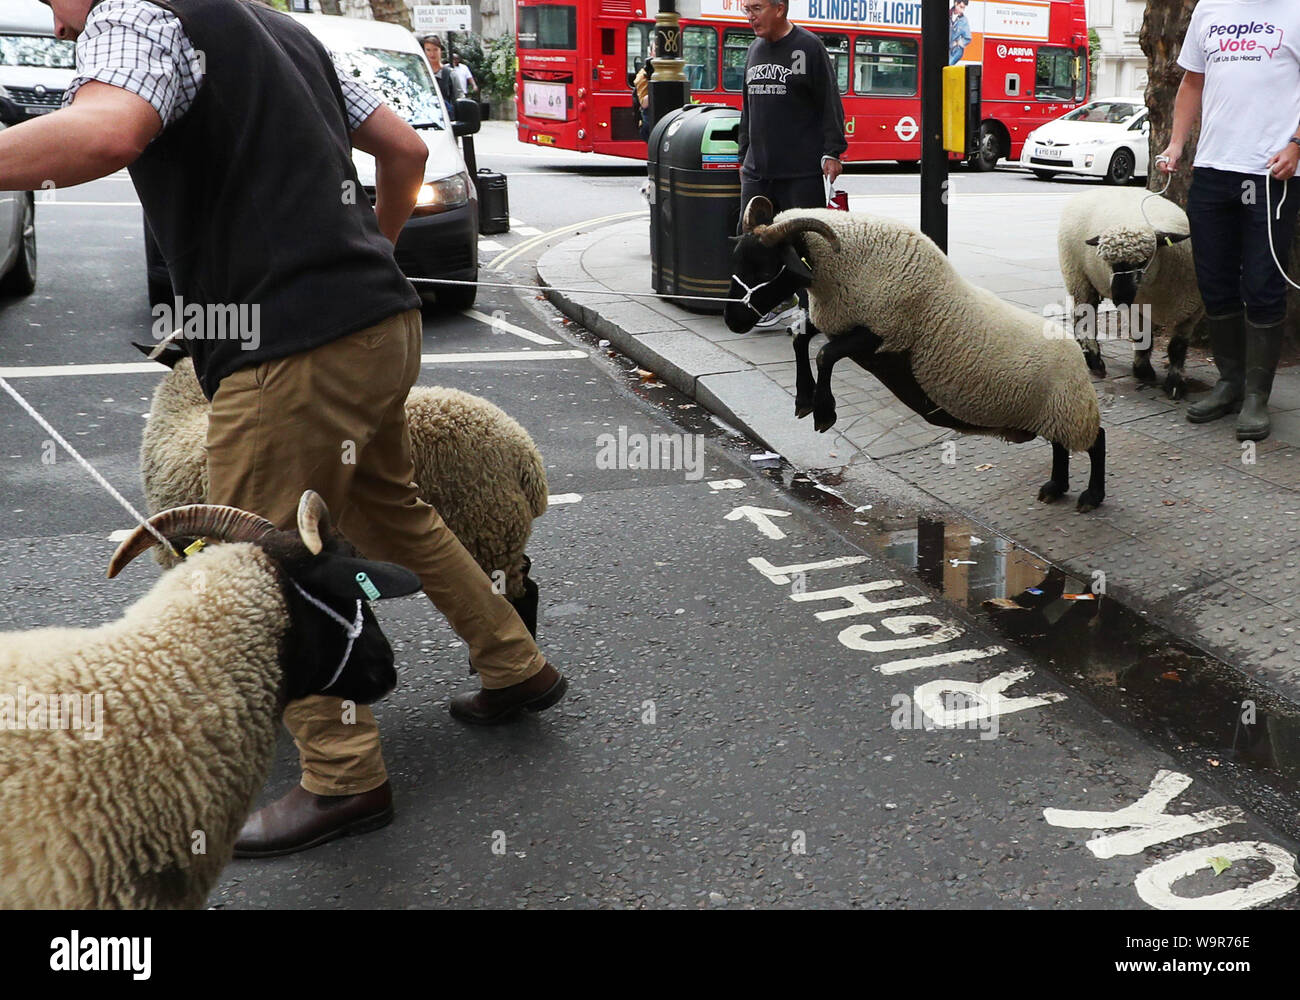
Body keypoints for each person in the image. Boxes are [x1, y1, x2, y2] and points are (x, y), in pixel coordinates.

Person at [13, 0, 567, 856]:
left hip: (288, 346)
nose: (48, 9)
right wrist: (369, 263)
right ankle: (514, 663)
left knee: (260, 563)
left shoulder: (136, 12)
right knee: (393, 512)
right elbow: (407, 151)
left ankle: (344, 778)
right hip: (382, 321)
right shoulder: (279, 26)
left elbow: (104, 135)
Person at [1159, 0, 1300, 442]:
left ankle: (1257, 396)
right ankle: (1229, 383)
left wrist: (1296, 144)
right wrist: (1177, 143)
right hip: (1214, 169)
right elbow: (1192, 82)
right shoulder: (1210, 8)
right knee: (1215, 281)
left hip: (1271, 172)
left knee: (1262, 284)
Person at [737, 0, 846, 331]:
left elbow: (829, 101)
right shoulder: (754, 50)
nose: (750, 16)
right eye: (747, 9)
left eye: (756, 8)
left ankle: (812, 310)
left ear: (779, 8)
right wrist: (743, 156)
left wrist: (832, 152)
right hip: (758, 170)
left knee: (804, 246)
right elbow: (748, 107)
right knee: (754, 241)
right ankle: (775, 302)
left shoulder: (808, 47)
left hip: (799, 170)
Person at [422, 34, 458, 105]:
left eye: (435, 49)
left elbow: (458, 98)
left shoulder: (450, 74)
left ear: (440, 50)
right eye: (428, 50)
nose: (432, 54)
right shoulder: (419, 73)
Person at [633, 40, 655, 143]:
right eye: (657, 50)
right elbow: (644, 103)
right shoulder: (643, 75)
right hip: (650, 120)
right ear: (651, 53)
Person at [949, 1, 971, 66]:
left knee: (947, 66)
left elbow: (968, 38)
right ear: (956, 3)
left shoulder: (964, 20)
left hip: (955, 50)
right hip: (942, 48)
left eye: (964, 8)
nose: (962, 10)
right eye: (961, 7)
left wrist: (957, 42)